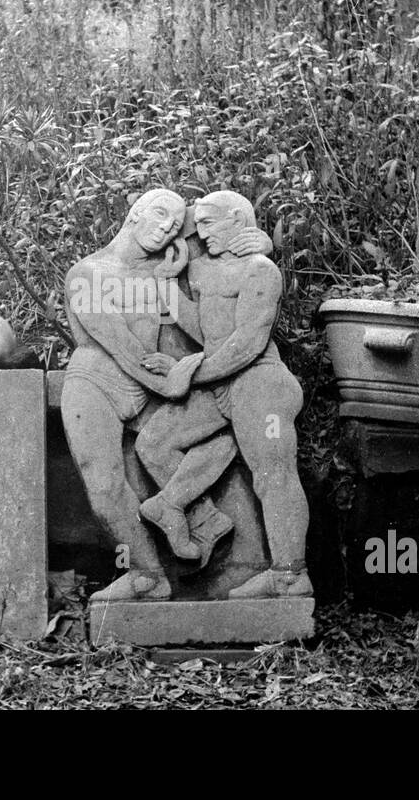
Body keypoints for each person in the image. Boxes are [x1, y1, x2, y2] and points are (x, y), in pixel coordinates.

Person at [135, 190, 312, 599]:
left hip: (259, 383)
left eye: (210, 222)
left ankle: (289, 574)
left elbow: (248, 343)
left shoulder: (261, 269)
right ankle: (199, 517)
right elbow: (207, 331)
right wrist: (166, 283)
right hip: (219, 382)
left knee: (273, 474)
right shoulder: (200, 271)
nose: (201, 230)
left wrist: (189, 373)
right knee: (154, 443)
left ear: (238, 219)